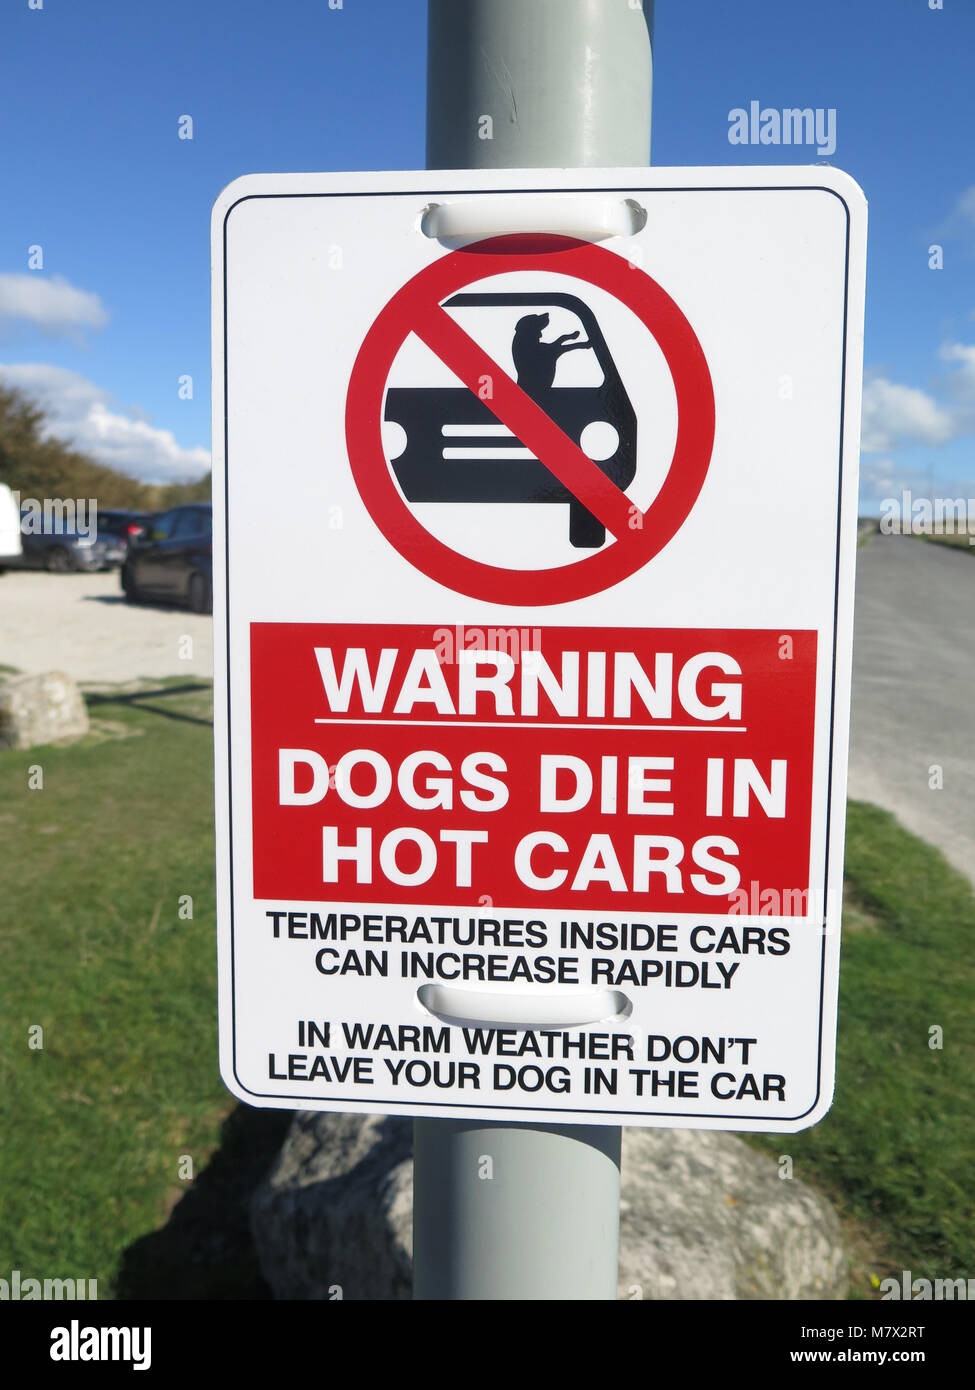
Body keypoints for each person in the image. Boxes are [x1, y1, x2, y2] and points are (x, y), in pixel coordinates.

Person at [511, 313, 591, 396]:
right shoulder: (534, 352)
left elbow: (555, 348)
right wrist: (578, 343)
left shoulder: (529, 348)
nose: (540, 335)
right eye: (537, 331)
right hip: (534, 393)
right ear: (528, 334)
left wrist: (568, 339)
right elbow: (556, 349)